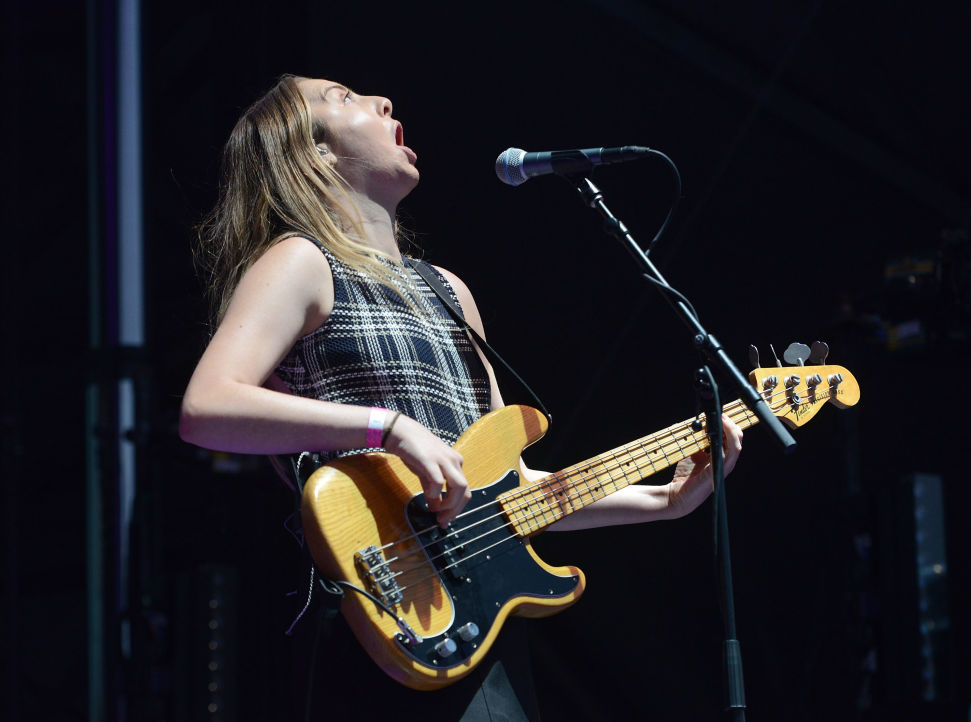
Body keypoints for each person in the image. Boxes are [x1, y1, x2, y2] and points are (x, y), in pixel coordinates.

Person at [179, 74, 744, 721]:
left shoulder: (449, 291)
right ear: (312, 153)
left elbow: (511, 491)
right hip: (379, 615)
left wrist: (667, 501)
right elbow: (207, 407)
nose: (382, 101)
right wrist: (386, 428)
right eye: (342, 97)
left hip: (472, 622)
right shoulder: (300, 263)